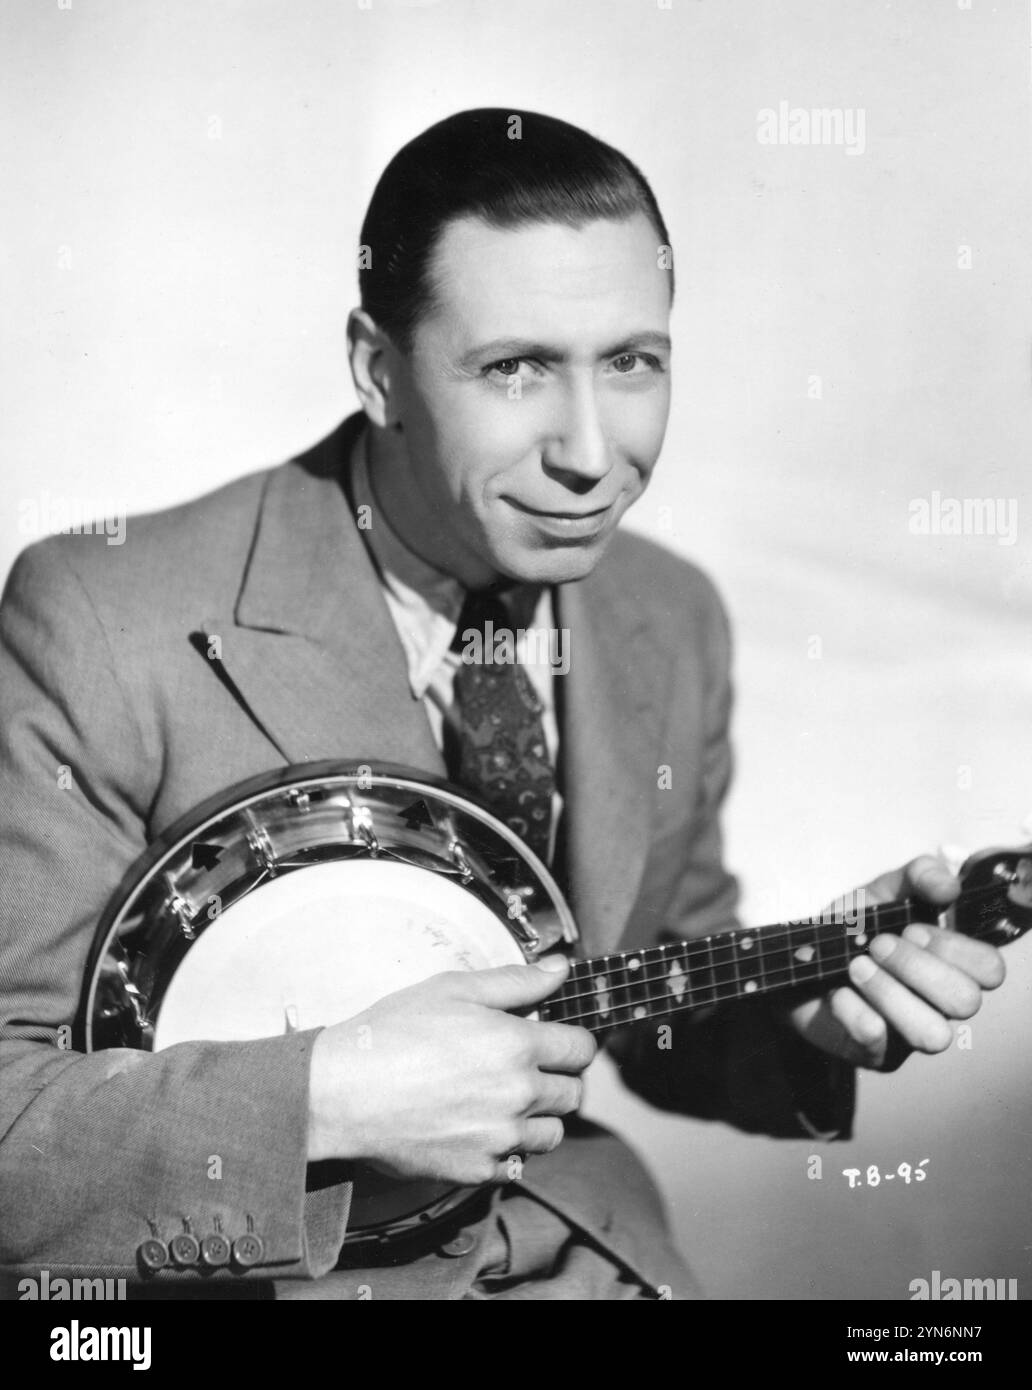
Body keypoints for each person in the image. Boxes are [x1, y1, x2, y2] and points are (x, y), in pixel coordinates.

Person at [0, 109, 1005, 1301]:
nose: (591, 449)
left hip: (596, 1261)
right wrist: (330, 1092)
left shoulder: (666, 615)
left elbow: (639, 991)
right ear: (381, 370)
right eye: (515, 368)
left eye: (632, 361)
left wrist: (809, 1007)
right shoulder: (105, 617)